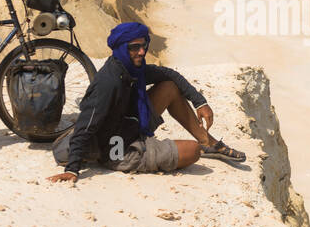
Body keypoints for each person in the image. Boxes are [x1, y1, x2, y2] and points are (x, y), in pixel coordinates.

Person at [48, 21, 245, 184]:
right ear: (122, 48)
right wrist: (72, 169)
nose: (142, 52)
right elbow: (86, 124)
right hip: (117, 148)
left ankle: (207, 142)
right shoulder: (108, 83)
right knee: (192, 151)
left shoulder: (130, 67)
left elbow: (169, 74)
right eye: (134, 47)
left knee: (168, 87)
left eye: (144, 46)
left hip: (130, 124)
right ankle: (194, 146)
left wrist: (200, 102)